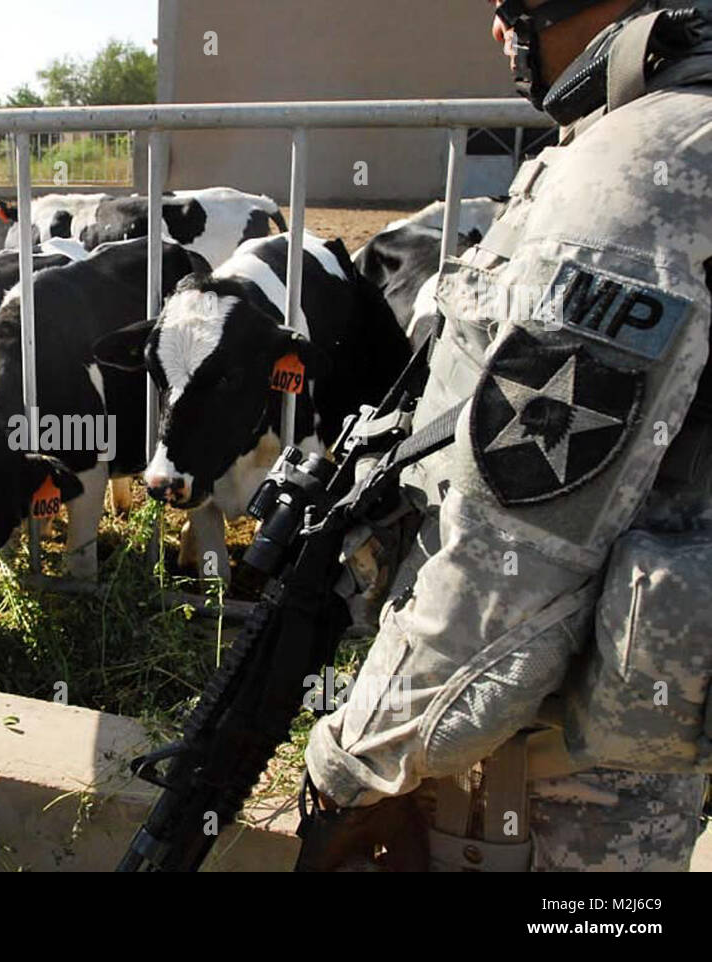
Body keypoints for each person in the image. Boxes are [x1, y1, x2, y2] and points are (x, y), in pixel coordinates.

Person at [304, 0, 712, 871]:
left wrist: (352, 761)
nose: (501, 32)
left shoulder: (647, 165)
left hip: (544, 791)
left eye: (517, 7)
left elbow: (516, 566)